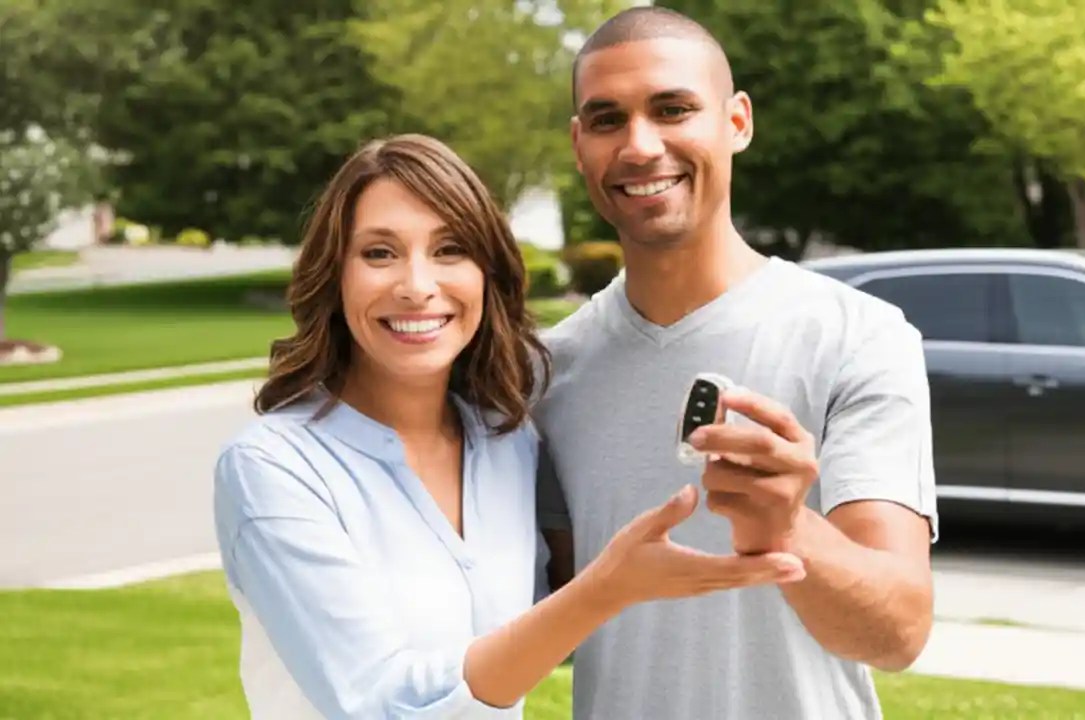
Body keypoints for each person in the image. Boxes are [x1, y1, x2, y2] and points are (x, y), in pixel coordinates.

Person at [211, 133, 808, 719]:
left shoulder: (507, 440)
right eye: (379, 253)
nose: (418, 287)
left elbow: (547, 631)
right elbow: (384, 704)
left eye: (449, 251)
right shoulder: (274, 468)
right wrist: (605, 589)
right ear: (334, 276)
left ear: (486, 273)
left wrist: (757, 505)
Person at [534, 7, 939, 719]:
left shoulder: (858, 337)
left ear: (738, 122)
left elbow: (899, 633)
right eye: (606, 120)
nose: (639, 146)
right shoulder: (548, 371)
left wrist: (787, 528)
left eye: (673, 109)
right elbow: (544, 616)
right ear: (578, 144)